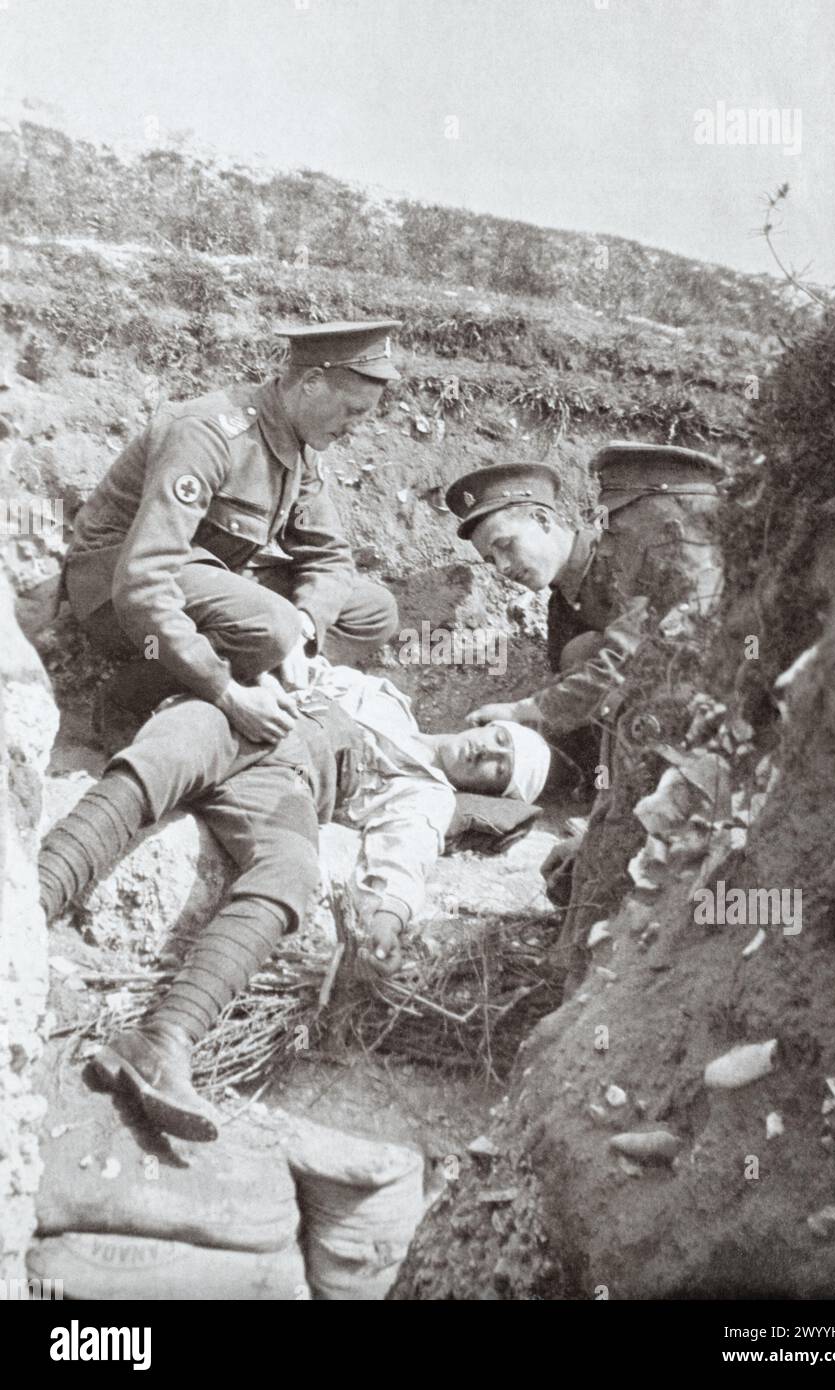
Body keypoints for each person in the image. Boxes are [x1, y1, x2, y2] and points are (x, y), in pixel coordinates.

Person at [38, 663, 552, 1143]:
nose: (486, 753)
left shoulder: (427, 795)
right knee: (160, 762)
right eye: (499, 740)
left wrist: (387, 922)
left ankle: (161, 1042)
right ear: (485, 721)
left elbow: (404, 859)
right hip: (228, 719)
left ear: (491, 792)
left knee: (292, 872)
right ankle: (32, 901)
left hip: (285, 783)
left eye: (497, 770)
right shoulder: (383, 696)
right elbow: (284, 657)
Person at [63, 321, 403, 746]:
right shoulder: (208, 434)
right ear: (312, 382)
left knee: (372, 610)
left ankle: (260, 665)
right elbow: (143, 582)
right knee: (269, 626)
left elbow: (330, 558)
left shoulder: (300, 445)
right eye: (353, 410)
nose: (356, 426)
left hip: (208, 582)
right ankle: (132, 697)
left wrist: (303, 628)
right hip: (116, 594)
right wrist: (227, 694)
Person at [445, 444, 725, 740]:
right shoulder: (562, 613)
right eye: (491, 560)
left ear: (542, 520)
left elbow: (628, 657)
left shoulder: (632, 562)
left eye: (505, 545)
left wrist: (523, 710)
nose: (502, 567)